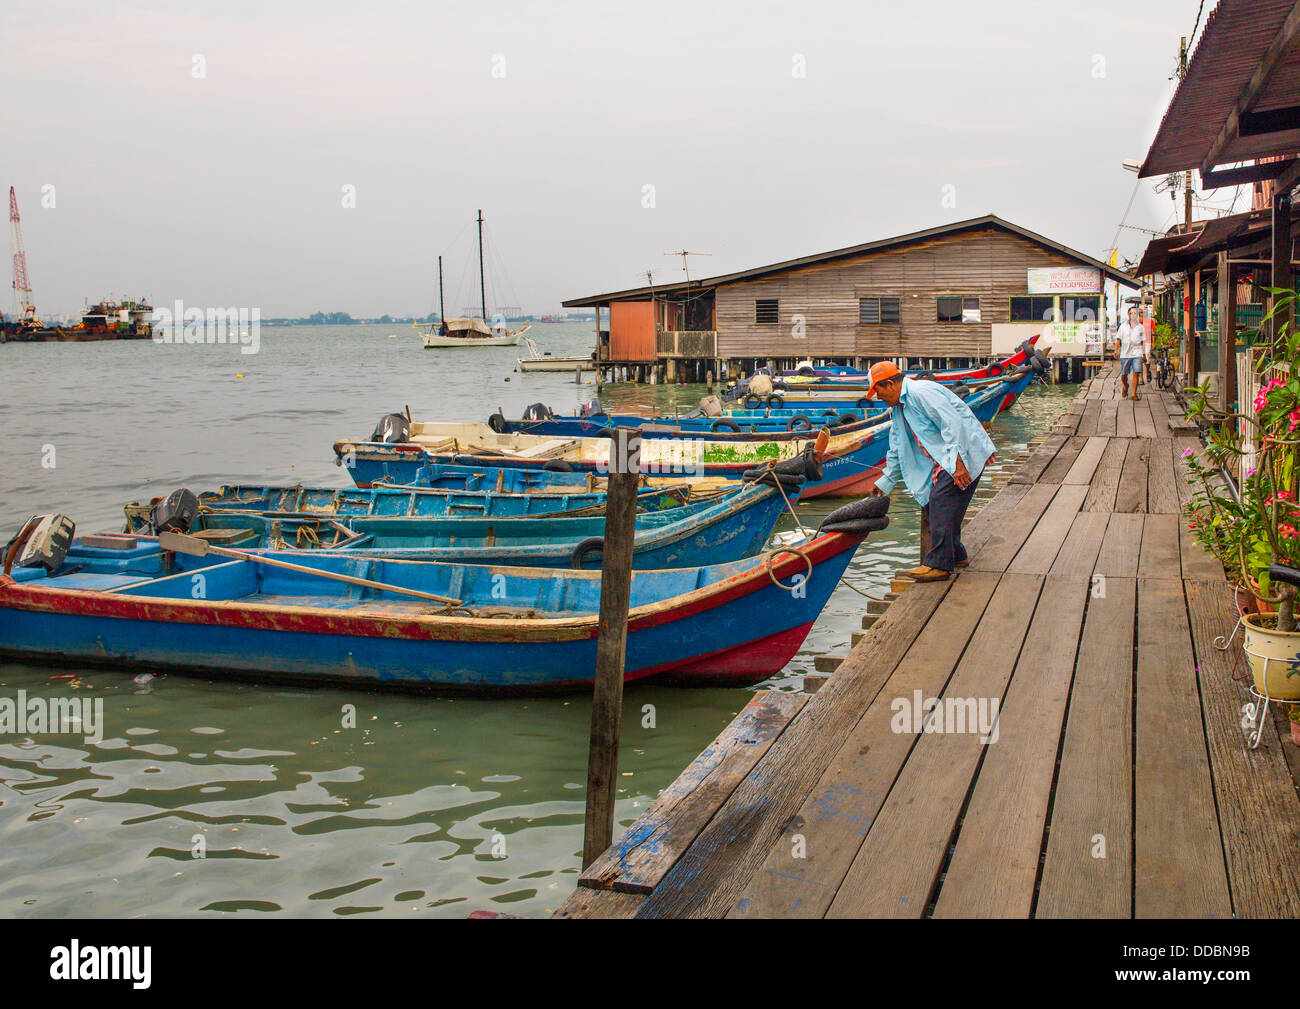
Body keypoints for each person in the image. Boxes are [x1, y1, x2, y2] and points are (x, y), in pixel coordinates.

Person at [866, 361, 997, 582]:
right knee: (933, 504)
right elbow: (898, 446)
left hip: (962, 453)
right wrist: (885, 481)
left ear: (889, 384)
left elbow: (953, 425)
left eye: (878, 391)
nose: (878, 398)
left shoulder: (921, 392)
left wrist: (959, 464)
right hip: (942, 458)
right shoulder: (898, 408)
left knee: (941, 500)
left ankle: (939, 565)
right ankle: (956, 555)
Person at [1115, 305, 1146, 400]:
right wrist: (1116, 350)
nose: (1133, 315)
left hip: (1137, 353)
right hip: (1125, 353)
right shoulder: (1123, 327)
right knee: (1124, 375)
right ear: (1128, 315)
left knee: (1136, 372)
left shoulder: (1141, 327)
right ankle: (1126, 386)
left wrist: (1144, 354)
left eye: (1135, 313)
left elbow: (1143, 341)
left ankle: (1133, 393)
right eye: (1131, 313)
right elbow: (1118, 339)